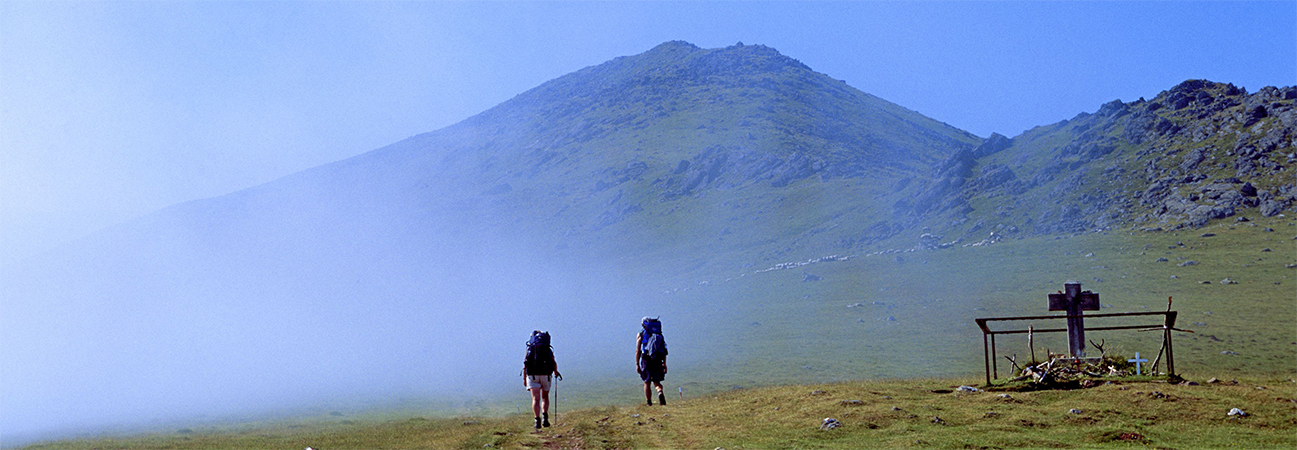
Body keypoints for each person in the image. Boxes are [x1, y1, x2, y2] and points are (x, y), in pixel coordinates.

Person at [523, 330, 562, 429]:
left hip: (532, 375)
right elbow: (553, 362)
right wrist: (555, 372)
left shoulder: (530, 348)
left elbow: (525, 364)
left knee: (535, 398)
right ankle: (545, 417)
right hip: (546, 374)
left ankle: (537, 420)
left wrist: (524, 379)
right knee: (545, 397)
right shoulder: (547, 348)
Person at [635, 317, 668, 406]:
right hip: (657, 359)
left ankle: (649, 402)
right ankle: (659, 391)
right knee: (657, 382)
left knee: (647, 381)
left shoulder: (641, 335)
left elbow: (638, 351)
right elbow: (664, 350)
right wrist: (664, 364)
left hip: (646, 359)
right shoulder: (659, 335)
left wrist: (637, 364)